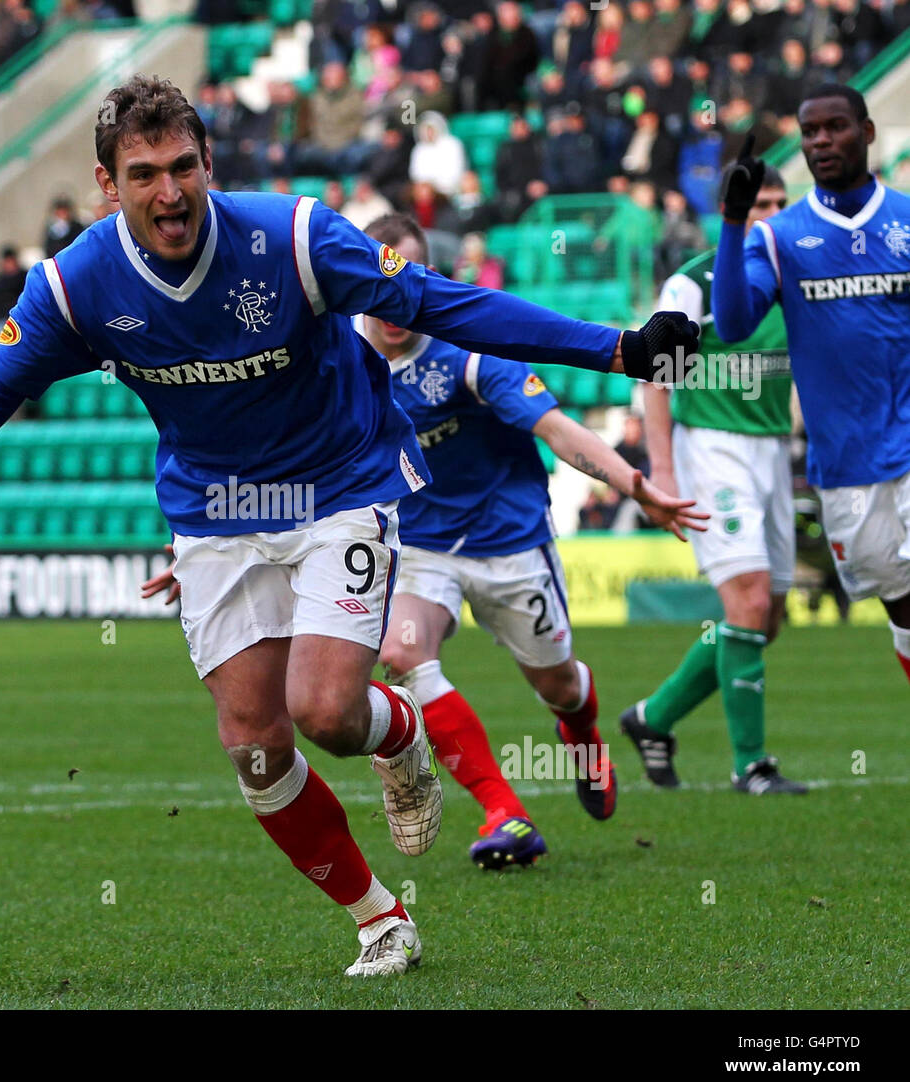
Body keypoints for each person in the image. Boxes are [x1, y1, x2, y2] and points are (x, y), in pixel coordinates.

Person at [0, 75, 698, 977]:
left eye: (185, 167)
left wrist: (617, 347)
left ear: (209, 162)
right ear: (107, 184)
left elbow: (440, 304)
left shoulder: (295, 237)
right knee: (255, 747)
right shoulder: (77, 286)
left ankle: (397, 735)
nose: (170, 193)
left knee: (323, 711)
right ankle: (378, 918)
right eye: (145, 174)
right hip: (216, 514)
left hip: (340, 489)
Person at [360, 213, 704, 867]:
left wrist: (635, 485)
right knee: (402, 657)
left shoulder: (468, 353)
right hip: (422, 544)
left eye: (404, 282)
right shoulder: (344, 352)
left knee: (557, 686)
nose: (391, 303)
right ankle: (505, 812)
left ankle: (581, 731)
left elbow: (557, 430)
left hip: (509, 538)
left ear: (425, 279)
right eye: (377, 285)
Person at [712, 85, 910, 699]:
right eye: (810, 131)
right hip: (847, 466)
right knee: (903, 615)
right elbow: (735, 322)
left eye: (836, 127)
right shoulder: (780, 237)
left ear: (868, 133)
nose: (822, 140)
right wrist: (731, 224)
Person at [625, 163, 805, 794]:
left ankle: (654, 718)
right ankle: (751, 766)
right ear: (734, 210)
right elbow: (654, 371)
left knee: (767, 616)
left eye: (782, 202)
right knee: (749, 601)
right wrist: (663, 470)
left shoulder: (796, 278)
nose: (771, 213)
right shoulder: (695, 280)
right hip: (711, 447)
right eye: (760, 202)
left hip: (772, 451)